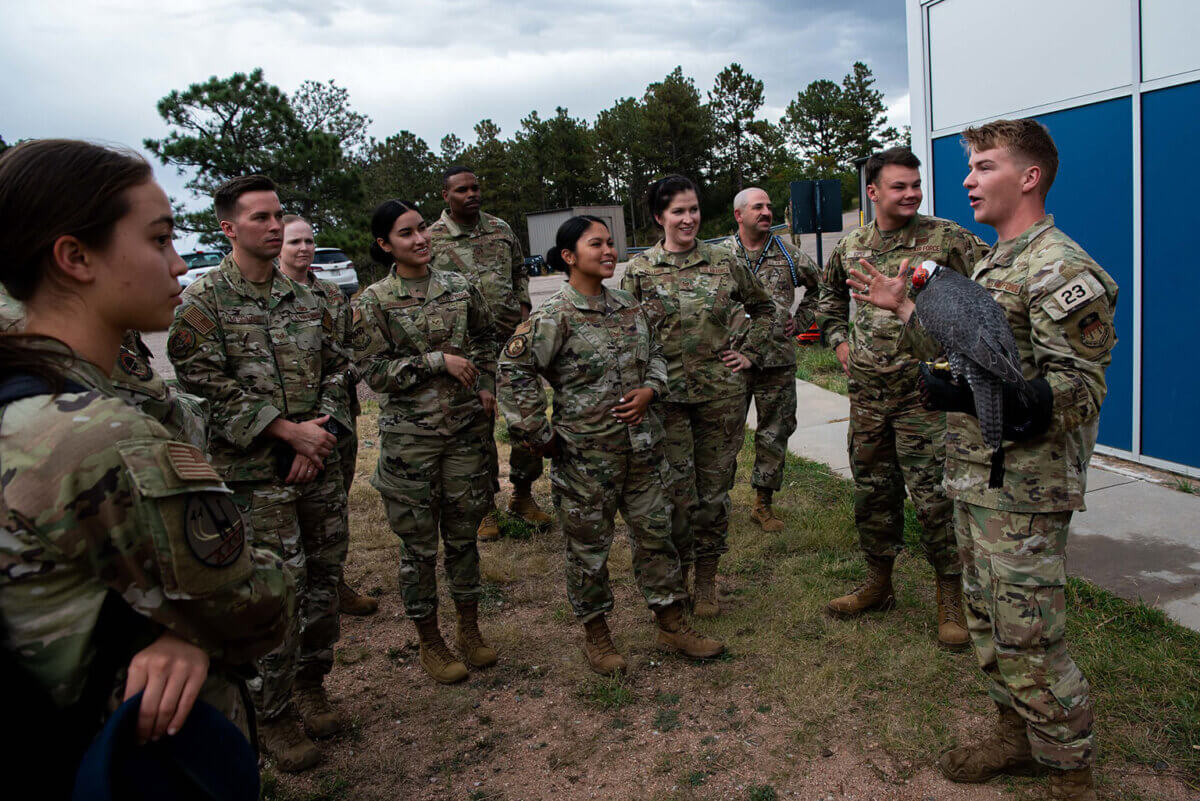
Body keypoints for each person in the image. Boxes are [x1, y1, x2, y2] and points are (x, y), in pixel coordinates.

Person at [0, 139, 293, 793]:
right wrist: (190, 630)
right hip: (128, 761)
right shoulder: (100, 440)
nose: (179, 263)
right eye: (159, 239)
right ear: (75, 257)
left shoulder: (25, 391)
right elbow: (255, 599)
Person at [847, 119, 1115, 801]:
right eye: (969, 168)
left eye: (985, 166)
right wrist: (909, 311)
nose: (967, 180)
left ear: (1029, 177)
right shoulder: (995, 263)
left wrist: (1009, 399)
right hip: (975, 479)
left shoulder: (1060, 267)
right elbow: (968, 356)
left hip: (1024, 489)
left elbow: (1080, 389)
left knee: (1029, 635)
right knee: (989, 625)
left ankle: (1068, 771)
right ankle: (1015, 735)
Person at [168, 175, 353, 772]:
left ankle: (311, 685)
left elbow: (338, 368)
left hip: (316, 464)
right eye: (260, 219)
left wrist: (314, 438)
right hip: (253, 477)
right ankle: (270, 716)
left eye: (279, 216)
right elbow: (203, 385)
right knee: (278, 592)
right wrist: (282, 429)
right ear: (228, 228)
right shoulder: (202, 304)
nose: (275, 227)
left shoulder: (310, 299)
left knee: (325, 579)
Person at [498, 216, 724, 674]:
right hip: (585, 458)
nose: (608, 250)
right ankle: (597, 636)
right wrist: (539, 436)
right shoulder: (554, 315)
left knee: (657, 537)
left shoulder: (628, 306)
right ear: (568, 256)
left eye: (610, 242)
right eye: (595, 244)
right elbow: (513, 372)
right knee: (588, 548)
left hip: (642, 451)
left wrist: (651, 391)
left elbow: (657, 355)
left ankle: (670, 622)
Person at [816, 147, 988, 648]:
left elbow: (993, 285)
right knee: (874, 493)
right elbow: (827, 301)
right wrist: (839, 341)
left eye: (915, 185)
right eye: (900, 186)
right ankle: (878, 583)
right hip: (868, 396)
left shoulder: (946, 238)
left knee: (935, 498)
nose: (911, 193)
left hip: (924, 397)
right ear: (873, 192)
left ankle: (949, 597)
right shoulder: (852, 246)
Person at [351, 199, 498, 685]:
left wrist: (485, 387)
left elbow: (484, 341)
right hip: (411, 444)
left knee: (463, 538)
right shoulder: (373, 302)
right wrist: (435, 362)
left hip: (463, 436)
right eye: (406, 233)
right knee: (418, 548)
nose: (420, 239)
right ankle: (430, 641)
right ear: (384, 244)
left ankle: (470, 632)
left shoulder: (459, 287)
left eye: (421, 229)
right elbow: (371, 372)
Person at [621, 175, 774, 618]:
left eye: (693, 209)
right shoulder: (640, 271)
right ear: (659, 217)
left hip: (719, 400)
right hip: (665, 403)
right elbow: (627, 333)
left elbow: (764, 309)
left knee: (713, 494)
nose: (688, 219)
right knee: (674, 496)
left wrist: (748, 353)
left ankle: (707, 580)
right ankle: (680, 576)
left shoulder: (725, 261)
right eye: (677, 212)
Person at [428, 166, 551, 539]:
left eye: (476, 187)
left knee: (527, 416)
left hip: (510, 344)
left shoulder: (500, 229)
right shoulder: (430, 239)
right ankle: (484, 508)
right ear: (445, 196)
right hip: (464, 350)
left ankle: (523, 495)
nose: (472, 194)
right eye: (462, 190)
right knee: (475, 429)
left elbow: (518, 273)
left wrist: (525, 312)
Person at [278, 214, 378, 617]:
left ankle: (334, 583)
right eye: (294, 242)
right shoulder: (269, 298)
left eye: (308, 241)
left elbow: (352, 357)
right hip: (287, 428)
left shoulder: (334, 297)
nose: (304, 248)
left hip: (336, 420)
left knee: (334, 505)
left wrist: (327, 421)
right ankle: (298, 595)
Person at [721, 187, 821, 531]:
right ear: (739, 215)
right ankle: (716, 503)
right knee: (723, 434)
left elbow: (820, 288)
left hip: (776, 358)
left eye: (769, 205)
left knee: (774, 433)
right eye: (758, 207)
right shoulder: (720, 256)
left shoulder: (788, 254)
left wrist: (803, 318)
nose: (767, 212)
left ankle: (763, 504)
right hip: (731, 360)